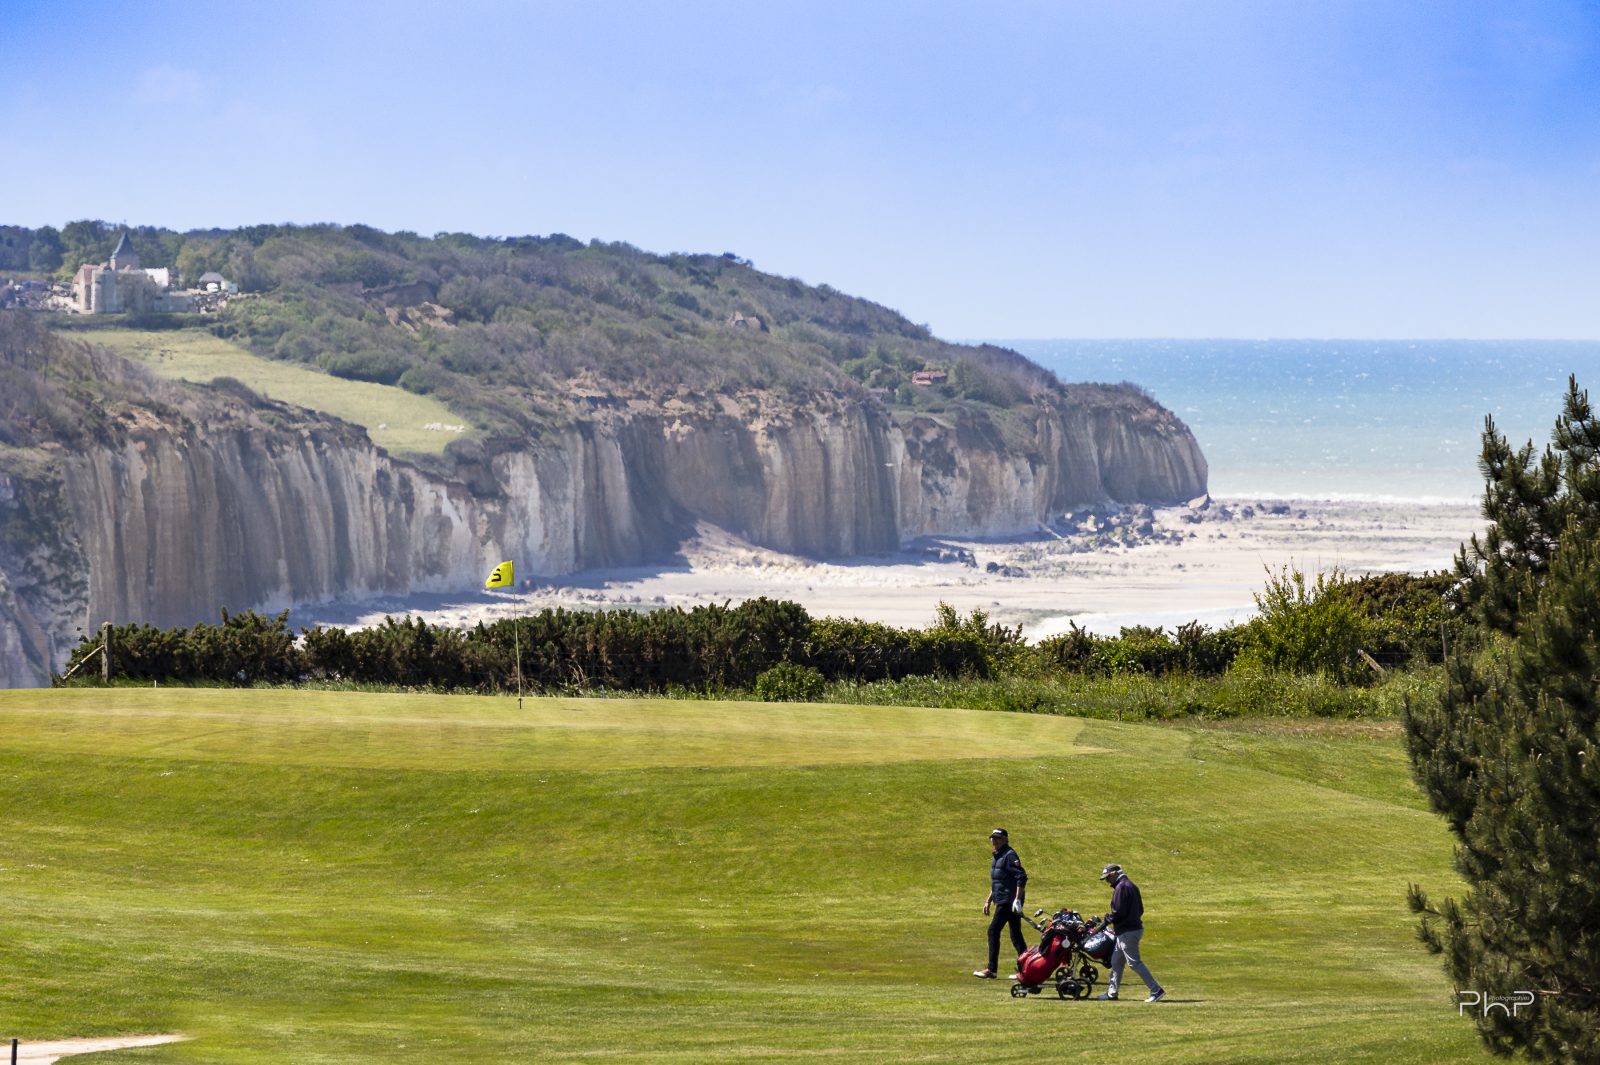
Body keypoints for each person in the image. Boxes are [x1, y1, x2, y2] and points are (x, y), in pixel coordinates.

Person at [1095, 862, 1166, 1002]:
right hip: (1130, 929)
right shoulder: (1130, 885)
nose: (1107, 880)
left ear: (1115, 873)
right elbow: (1140, 910)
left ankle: (1156, 990)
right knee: (1116, 961)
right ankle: (1111, 993)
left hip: (1128, 931)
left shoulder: (1121, 887)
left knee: (1134, 963)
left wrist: (1109, 918)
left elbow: (1118, 912)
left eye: (1108, 877)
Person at [973, 828, 1028, 979]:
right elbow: (998, 881)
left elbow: (1021, 877)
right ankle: (1027, 968)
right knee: (1015, 934)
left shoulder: (1009, 856)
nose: (994, 841)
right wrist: (988, 900)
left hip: (1008, 901)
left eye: (997, 838)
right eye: (992, 838)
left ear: (1005, 839)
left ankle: (992, 969)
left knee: (993, 931)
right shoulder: (998, 856)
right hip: (1003, 899)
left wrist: (1017, 899)